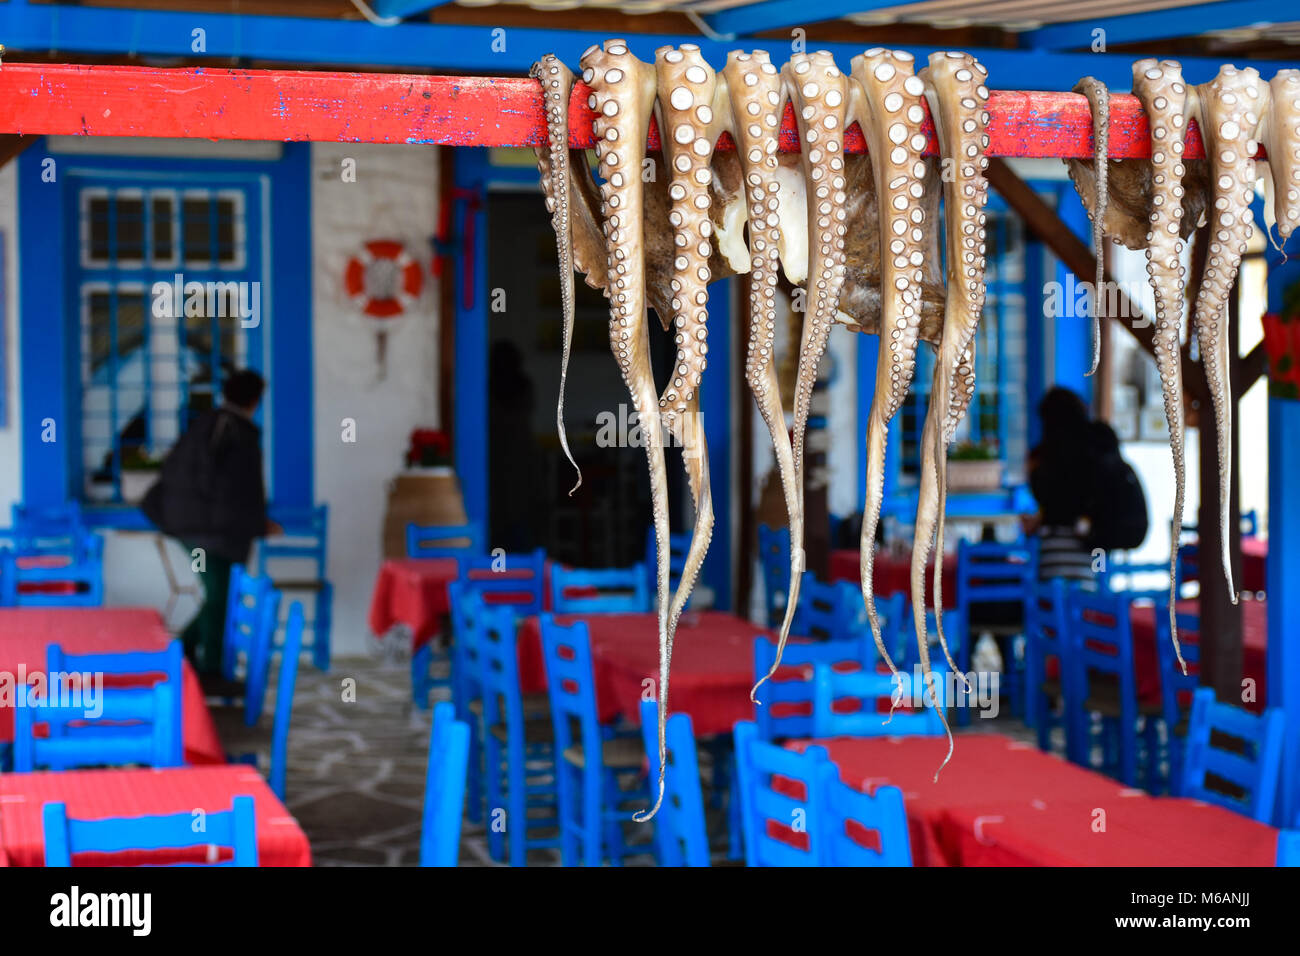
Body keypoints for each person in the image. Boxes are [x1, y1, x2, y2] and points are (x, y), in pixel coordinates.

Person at [142, 369, 281, 677]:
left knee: (217, 594)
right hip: (212, 533)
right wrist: (259, 523)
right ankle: (211, 671)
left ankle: (181, 653)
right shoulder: (239, 432)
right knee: (220, 596)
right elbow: (242, 489)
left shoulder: (205, 423)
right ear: (256, 399)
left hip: (187, 527)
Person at [1025, 386, 1112, 582]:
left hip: (1057, 547)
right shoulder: (1097, 448)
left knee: (1059, 604)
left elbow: (1049, 501)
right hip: (1098, 546)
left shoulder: (1045, 458)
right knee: (1095, 597)